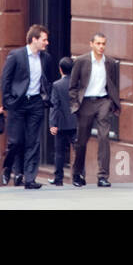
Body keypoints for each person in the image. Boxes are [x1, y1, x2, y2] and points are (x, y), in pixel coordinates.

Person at [0, 24, 53, 189]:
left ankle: (29, 178)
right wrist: (8, 101)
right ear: (34, 39)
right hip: (18, 103)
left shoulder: (46, 58)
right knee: (16, 141)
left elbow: (48, 80)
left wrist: (47, 97)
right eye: (44, 40)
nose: (47, 43)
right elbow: (5, 80)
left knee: (33, 141)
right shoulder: (16, 55)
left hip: (36, 103)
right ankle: (9, 166)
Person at [69, 32, 121, 188]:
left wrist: (112, 102)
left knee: (104, 138)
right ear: (91, 44)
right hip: (85, 103)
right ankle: (77, 174)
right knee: (81, 141)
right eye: (98, 43)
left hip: (103, 102)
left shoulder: (110, 63)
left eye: (103, 44)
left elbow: (113, 84)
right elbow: (73, 86)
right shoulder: (81, 61)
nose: (101, 47)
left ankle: (103, 176)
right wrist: (75, 105)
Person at [48, 56, 77, 185]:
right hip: (76, 123)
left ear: (60, 70)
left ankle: (58, 179)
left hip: (61, 123)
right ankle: (78, 177)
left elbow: (55, 105)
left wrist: (52, 124)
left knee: (59, 152)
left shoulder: (56, 85)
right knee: (78, 150)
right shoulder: (78, 84)